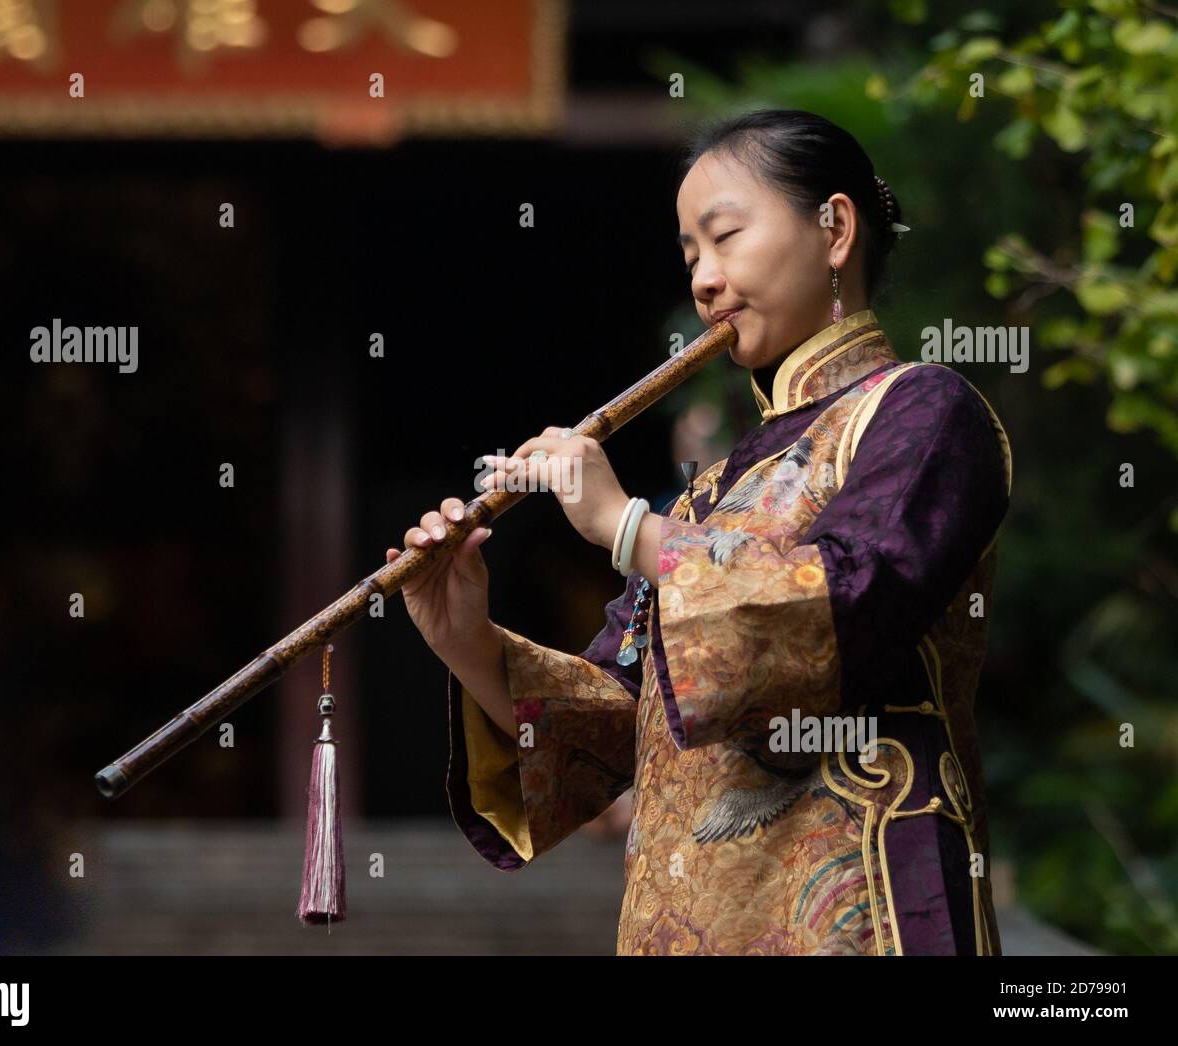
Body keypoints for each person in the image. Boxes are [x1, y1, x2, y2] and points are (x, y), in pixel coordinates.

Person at [385, 108, 1011, 955]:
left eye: (725, 239)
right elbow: (614, 727)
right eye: (691, 257)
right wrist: (466, 638)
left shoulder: (924, 412)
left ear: (835, 228)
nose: (706, 281)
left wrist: (623, 524)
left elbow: (847, 599)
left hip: (865, 912)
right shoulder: (710, 491)